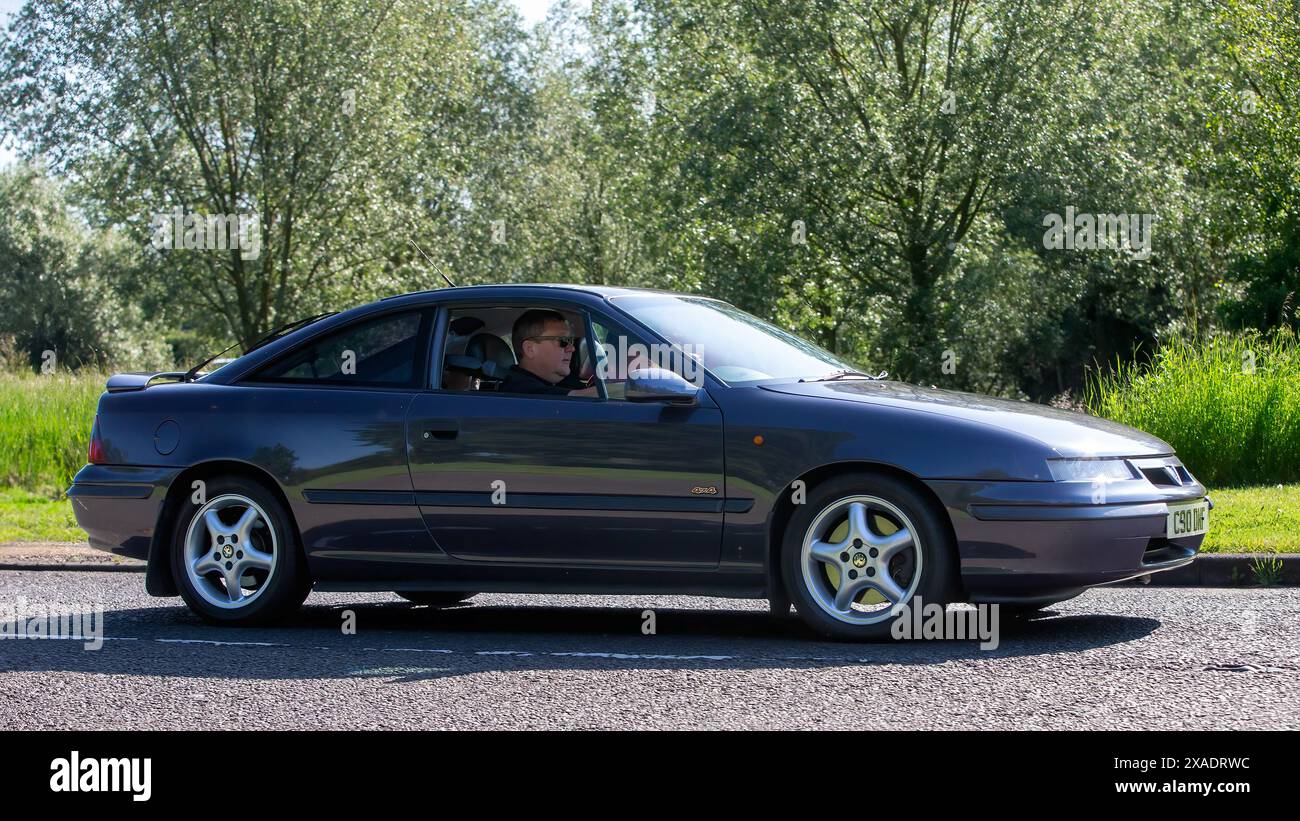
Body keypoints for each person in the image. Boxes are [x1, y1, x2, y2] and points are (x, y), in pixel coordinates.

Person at [499, 310, 599, 397]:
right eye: (563, 340)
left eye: (571, 341)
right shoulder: (518, 390)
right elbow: (576, 399)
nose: (572, 348)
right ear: (530, 349)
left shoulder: (560, 382)